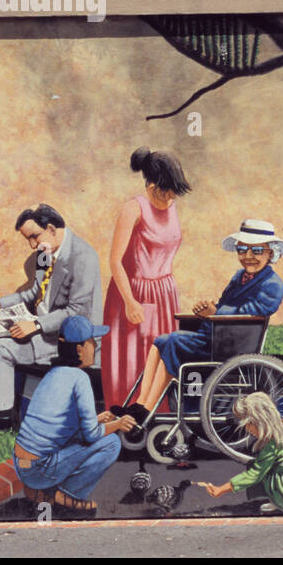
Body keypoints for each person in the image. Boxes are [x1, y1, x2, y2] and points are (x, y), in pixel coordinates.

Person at [114, 219, 283, 425]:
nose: (248, 257)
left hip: (233, 345)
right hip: (215, 335)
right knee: (161, 341)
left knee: (173, 341)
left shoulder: (272, 284)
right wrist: (208, 310)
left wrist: (216, 312)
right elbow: (224, 304)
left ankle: (146, 409)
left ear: (271, 253)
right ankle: (141, 404)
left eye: (257, 250)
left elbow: (252, 313)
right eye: (242, 250)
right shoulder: (239, 276)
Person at [0, 204, 103, 431]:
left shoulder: (83, 256)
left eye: (34, 237)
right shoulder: (44, 254)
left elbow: (77, 310)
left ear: (51, 228)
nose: (32, 245)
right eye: (28, 239)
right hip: (44, 335)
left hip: (71, 342)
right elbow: (33, 293)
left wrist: (37, 324)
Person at [13, 316, 136, 518]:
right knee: (111, 443)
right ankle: (68, 494)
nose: (95, 345)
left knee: (95, 436)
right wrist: (118, 424)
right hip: (40, 468)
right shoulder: (80, 378)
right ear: (79, 349)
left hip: (22, 464)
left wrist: (97, 419)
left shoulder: (54, 373)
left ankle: (42, 490)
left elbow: (57, 423)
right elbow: (91, 436)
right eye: (91, 341)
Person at [101, 147, 189, 411]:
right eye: (166, 189)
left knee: (162, 353)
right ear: (151, 183)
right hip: (135, 292)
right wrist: (130, 301)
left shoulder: (171, 207)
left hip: (165, 294)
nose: (171, 196)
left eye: (175, 190)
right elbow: (115, 260)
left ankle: (155, 414)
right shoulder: (134, 208)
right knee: (133, 357)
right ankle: (127, 415)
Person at [202, 392, 283, 514]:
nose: (247, 428)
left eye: (249, 424)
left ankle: (282, 501)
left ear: (260, 422)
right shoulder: (282, 436)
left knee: (257, 468)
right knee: (262, 466)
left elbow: (254, 475)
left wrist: (222, 489)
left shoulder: (271, 447)